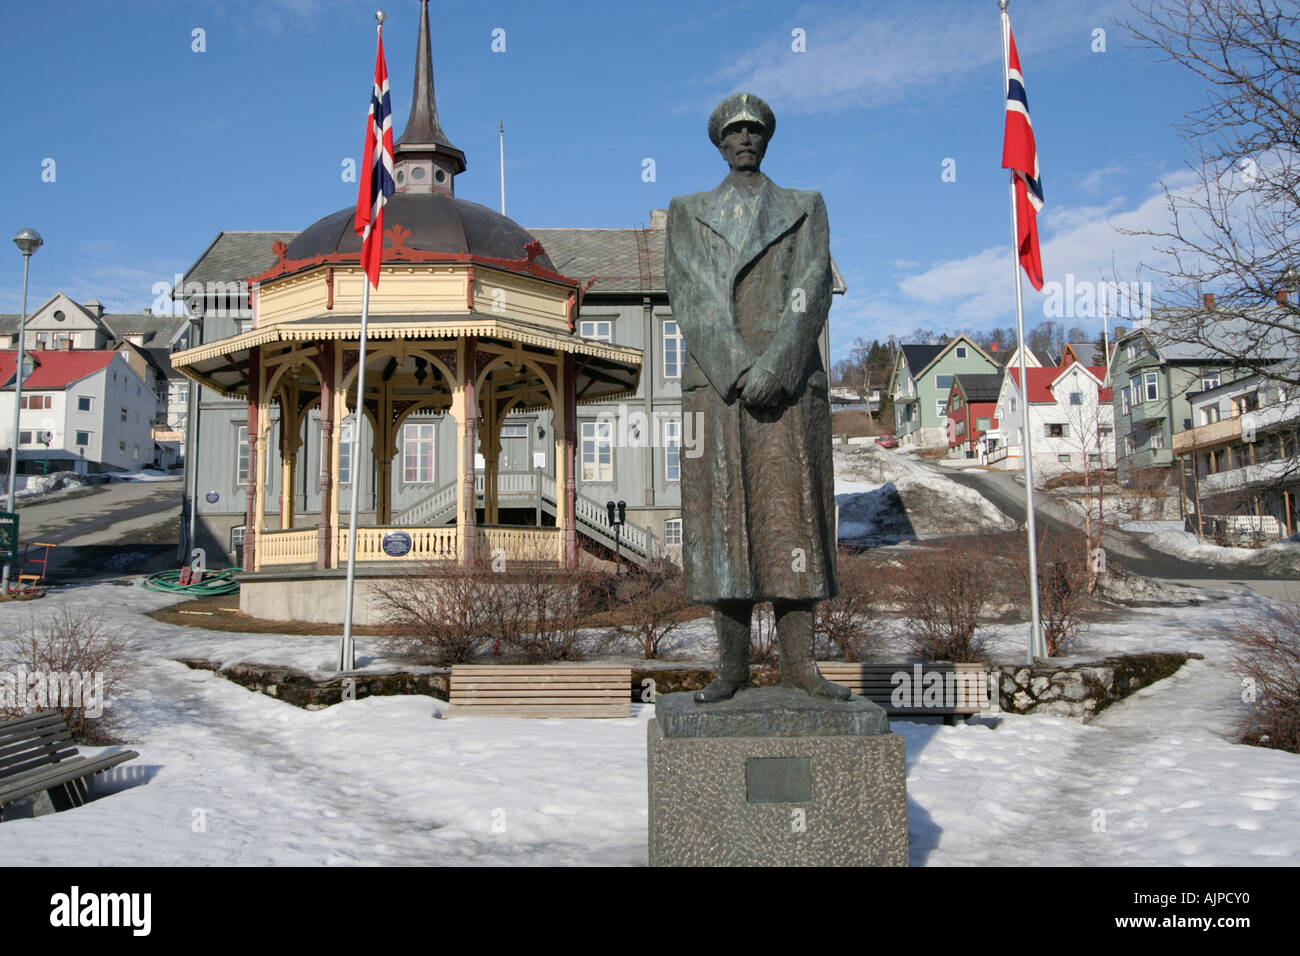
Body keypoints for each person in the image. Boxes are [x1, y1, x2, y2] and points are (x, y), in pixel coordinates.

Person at [664, 92, 849, 703]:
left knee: (791, 520)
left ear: (767, 140)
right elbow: (691, 293)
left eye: (754, 131)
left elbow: (813, 284)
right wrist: (740, 368)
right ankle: (733, 667)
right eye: (734, 133)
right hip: (721, 390)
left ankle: (802, 665)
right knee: (726, 528)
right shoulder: (689, 212)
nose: (745, 140)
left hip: (789, 387)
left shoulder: (804, 207)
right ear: (719, 144)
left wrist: (779, 364)